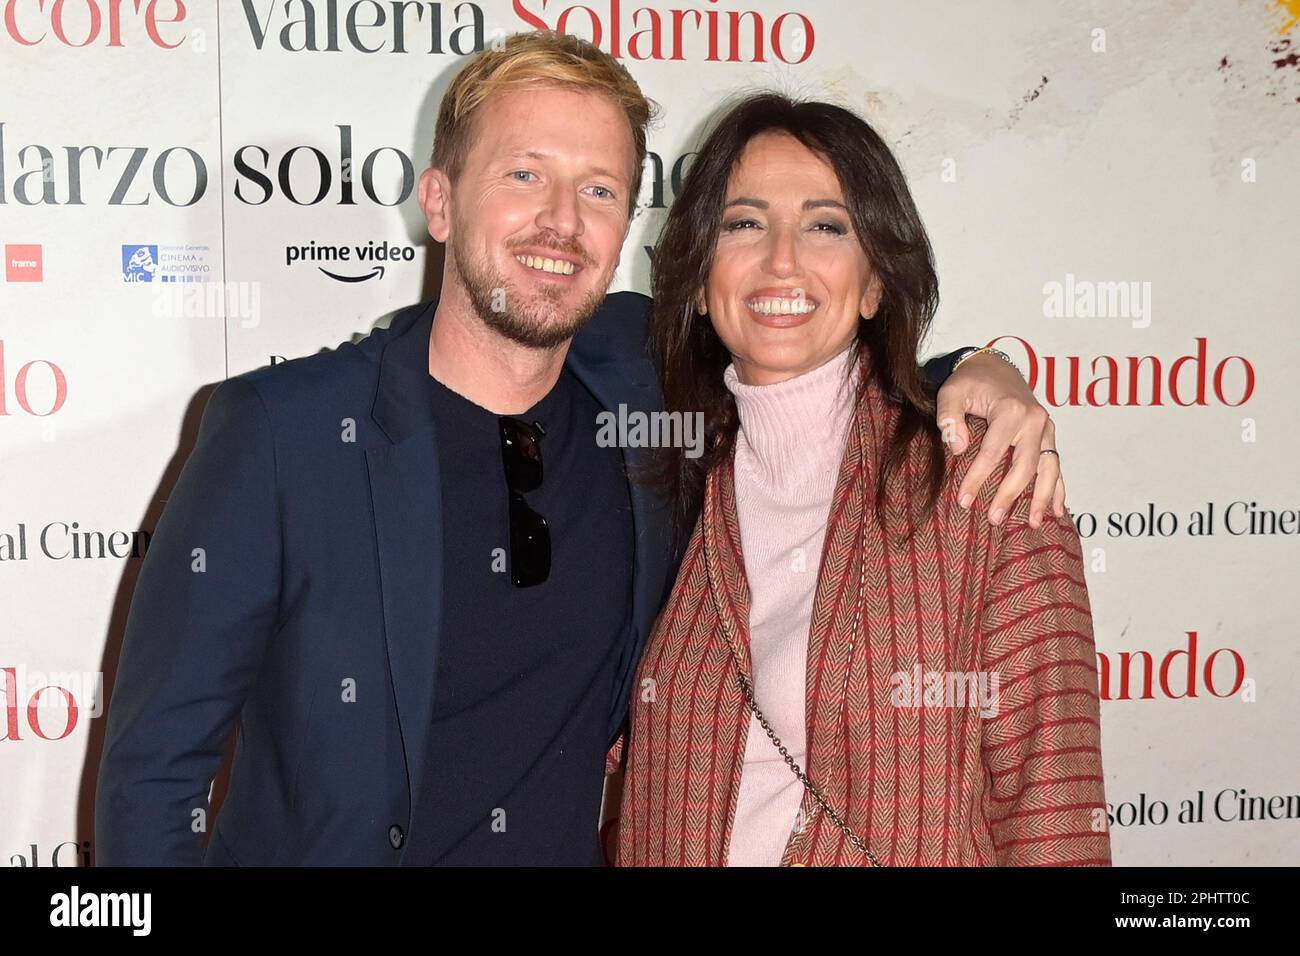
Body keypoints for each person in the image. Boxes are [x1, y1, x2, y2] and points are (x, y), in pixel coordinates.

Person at [96, 32, 1064, 866]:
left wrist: (978, 366)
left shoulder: (645, 389)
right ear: (439, 201)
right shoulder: (283, 428)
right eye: (525, 175)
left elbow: (809, 336)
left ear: (623, 231)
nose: (561, 220)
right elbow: (154, 764)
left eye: (597, 188)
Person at [616, 93, 1110, 867]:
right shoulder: (657, 482)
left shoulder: (983, 480)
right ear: (701, 276)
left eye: (826, 226)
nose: (782, 258)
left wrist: (987, 359)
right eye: (744, 222)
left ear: (877, 283)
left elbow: (1054, 814)